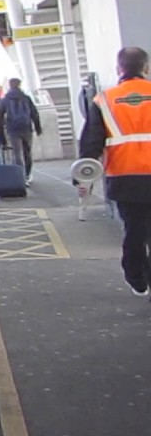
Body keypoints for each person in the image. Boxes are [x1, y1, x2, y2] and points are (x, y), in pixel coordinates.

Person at [78, 47, 151, 297]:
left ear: (119, 69)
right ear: (146, 68)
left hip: (124, 177)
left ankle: (136, 277)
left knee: (134, 229)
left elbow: (91, 142)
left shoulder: (104, 100)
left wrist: (83, 174)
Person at [0, 77, 43, 186]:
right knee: (27, 152)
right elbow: (34, 113)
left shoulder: (5, 99)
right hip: (26, 128)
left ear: (9, 85)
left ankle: (20, 177)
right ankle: (28, 175)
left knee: (17, 154)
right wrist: (38, 128)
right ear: (19, 85)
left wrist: (1, 130)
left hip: (13, 129)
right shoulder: (26, 98)